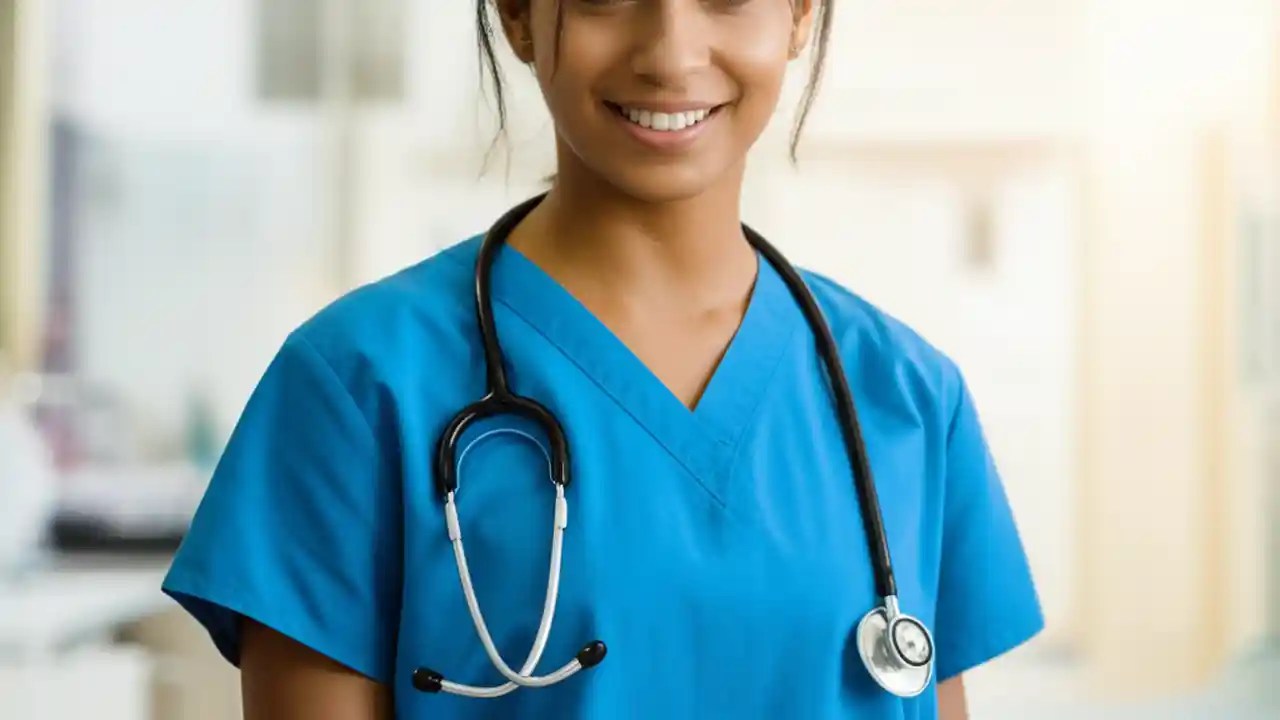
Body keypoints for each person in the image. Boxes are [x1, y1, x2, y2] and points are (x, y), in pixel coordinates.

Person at [161, 1, 1044, 718]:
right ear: (515, 15)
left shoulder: (907, 400)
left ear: (799, 15)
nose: (670, 50)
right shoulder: (357, 386)